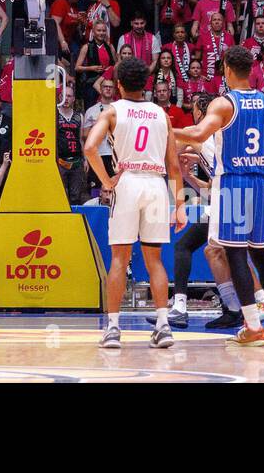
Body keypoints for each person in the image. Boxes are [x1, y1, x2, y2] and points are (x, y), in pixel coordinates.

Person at [172, 45, 264, 346]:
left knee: (236, 254)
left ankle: (254, 327)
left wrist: (167, 128)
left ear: (227, 69)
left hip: (232, 185)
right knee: (261, 253)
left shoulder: (223, 103)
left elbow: (198, 135)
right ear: (251, 69)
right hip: (261, 183)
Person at [83, 58, 186, 349]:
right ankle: (164, 326)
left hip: (126, 182)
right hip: (156, 184)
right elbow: (175, 167)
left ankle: (113, 329)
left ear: (118, 84)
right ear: (146, 85)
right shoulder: (160, 114)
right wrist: (179, 205)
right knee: (154, 260)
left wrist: (105, 180)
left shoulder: (113, 111)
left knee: (119, 258)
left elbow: (90, 147)